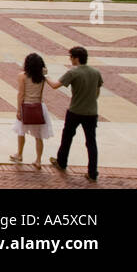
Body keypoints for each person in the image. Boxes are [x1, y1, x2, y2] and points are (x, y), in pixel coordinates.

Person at [48, 46, 103, 181]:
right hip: (92, 112)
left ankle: (62, 161)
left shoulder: (73, 72)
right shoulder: (96, 72)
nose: (70, 59)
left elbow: (55, 85)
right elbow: (97, 91)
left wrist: (45, 76)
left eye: (71, 57)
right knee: (91, 142)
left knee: (67, 137)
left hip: (75, 110)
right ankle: (92, 172)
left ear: (76, 58)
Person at [9, 53, 53, 168]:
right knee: (38, 136)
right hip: (39, 106)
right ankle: (38, 160)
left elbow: (21, 94)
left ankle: (19, 154)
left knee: (21, 132)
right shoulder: (42, 77)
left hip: (26, 106)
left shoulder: (22, 76)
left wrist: (18, 110)